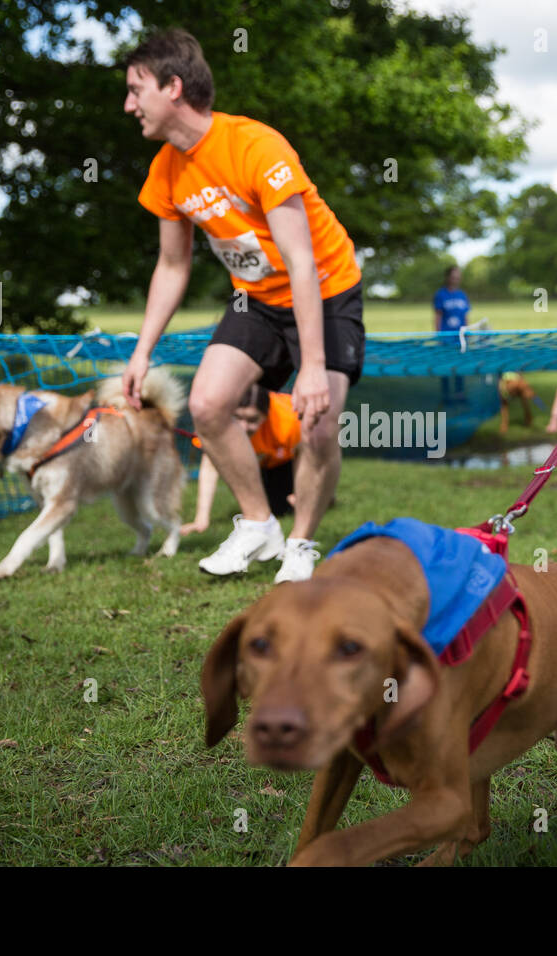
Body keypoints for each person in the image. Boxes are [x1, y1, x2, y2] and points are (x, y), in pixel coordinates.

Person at [120, 28, 363, 583]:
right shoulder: (166, 169)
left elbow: (301, 262)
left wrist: (314, 368)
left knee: (319, 426)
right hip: (256, 298)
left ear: (173, 87)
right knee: (207, 404)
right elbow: (173, 266)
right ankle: (258, 524)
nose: (128, 104)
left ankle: (301, 544)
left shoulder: (256, 147)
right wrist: (141, 353)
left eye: (137, 90)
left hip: (324, 289)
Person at [184, 385, 301, 535]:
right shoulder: (218, 421)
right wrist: (201, 520)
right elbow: (210, 466)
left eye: (252, 420)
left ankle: (326, 496)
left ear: (266, 415)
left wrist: (299, 492)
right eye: (237, 418)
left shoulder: (290, 420)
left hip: (282, 462)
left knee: (282, 508)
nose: (244, 427)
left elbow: (304, 455)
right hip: (253, 462)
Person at [433, 266, 469, 403]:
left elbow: (465, 316)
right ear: (448, 277)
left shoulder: (462, 295)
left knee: (460, 365)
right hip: (446, 336)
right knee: (446, 366)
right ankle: (446, 396)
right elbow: (438, 316)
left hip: (460, 337)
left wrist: (467, 332)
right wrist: (438, 336)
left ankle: (459, 394)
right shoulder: (440, 294)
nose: (456, 279)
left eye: (458, 276)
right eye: (454, 276)